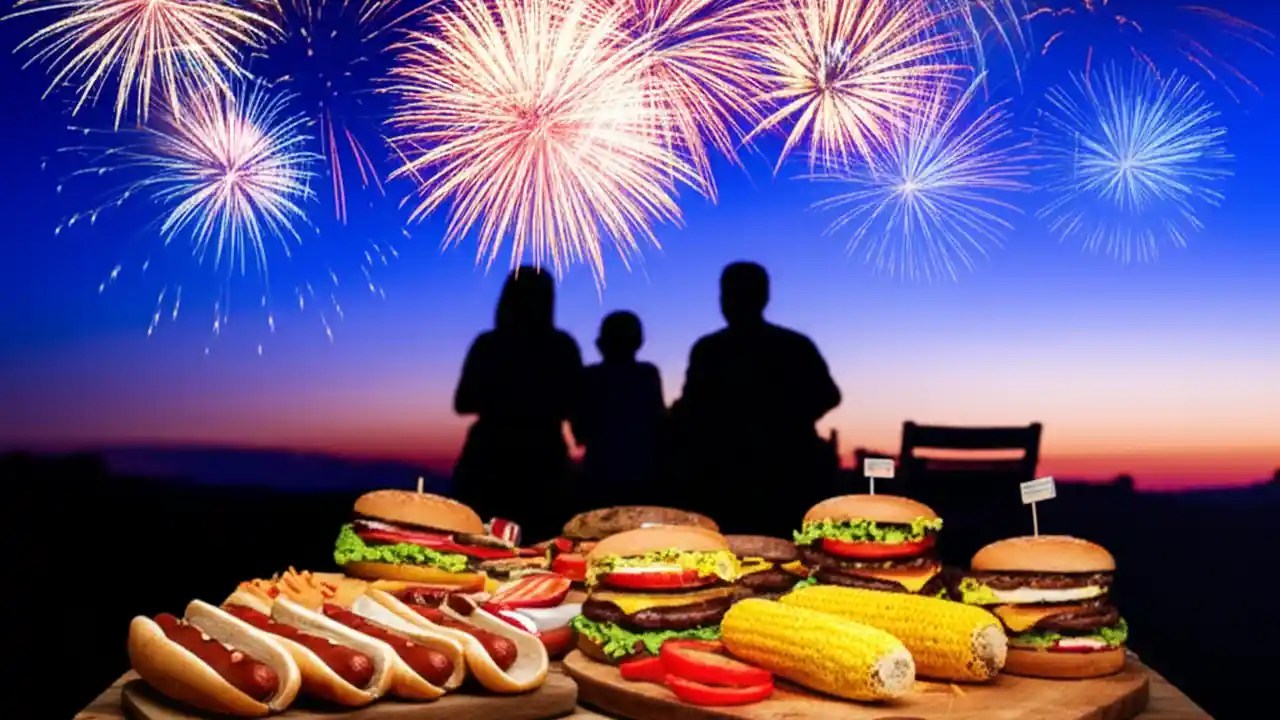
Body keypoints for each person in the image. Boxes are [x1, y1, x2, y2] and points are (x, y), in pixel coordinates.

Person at [672, 262, 841, 536]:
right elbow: (828, 395)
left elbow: (690, 408)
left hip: (743, 472)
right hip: (770, 471)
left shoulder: (710, 350)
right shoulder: (793, 345)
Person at [451, 267, 583, 542]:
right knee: (543, 547)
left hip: (492, 457)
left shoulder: (488, 345)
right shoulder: (561, 346)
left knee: (480, 545)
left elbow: (464, 401)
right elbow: (575, 404)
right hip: (541, 459)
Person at [571, 311, 666, 508]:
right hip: (643, 472)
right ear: (638, 342)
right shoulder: (648, 375)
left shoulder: (589, 378)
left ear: (601, 343)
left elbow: (580, 426)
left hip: (600, 473)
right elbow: (659, 422)